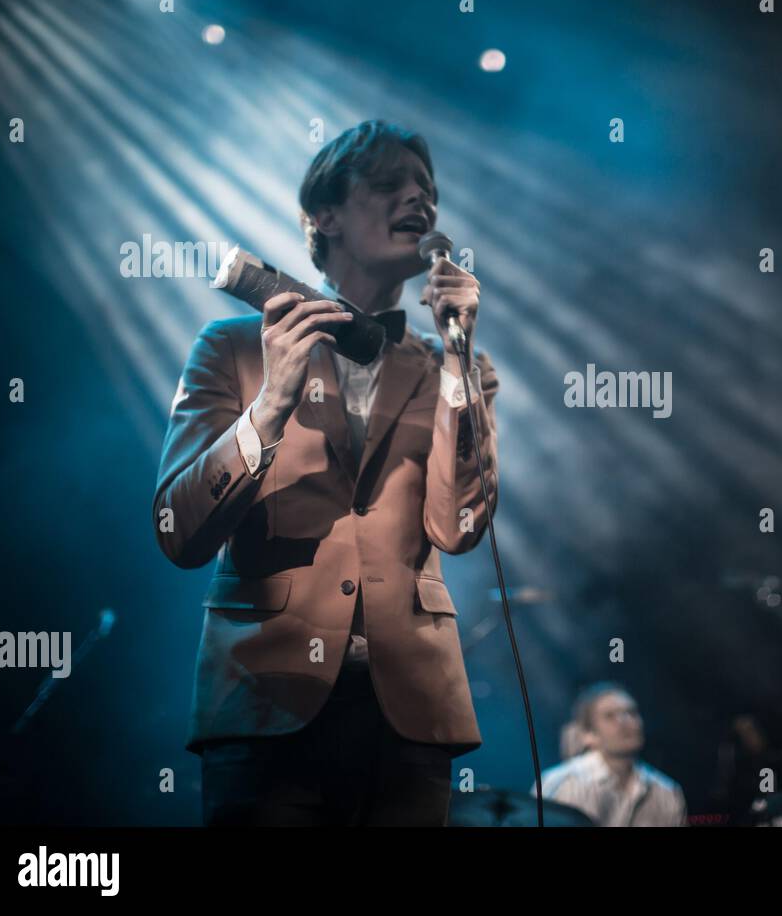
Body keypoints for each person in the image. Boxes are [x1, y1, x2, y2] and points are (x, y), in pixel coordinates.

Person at [154, 120, 498, 825]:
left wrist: (460, 362)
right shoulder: (233, 345)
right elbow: (177, 533)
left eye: (428, 192)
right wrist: (271, 403)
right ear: (324, 216)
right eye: (389, 185)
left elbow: (458, 529)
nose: (419, 201)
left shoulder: (448, 365)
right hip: (264, 698)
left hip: (411, 712)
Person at [535, 683, 687, 826]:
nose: (625, 721)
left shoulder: (666, 792)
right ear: (588, 735)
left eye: (631, 713)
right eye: (610, 716)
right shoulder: (564, 784)